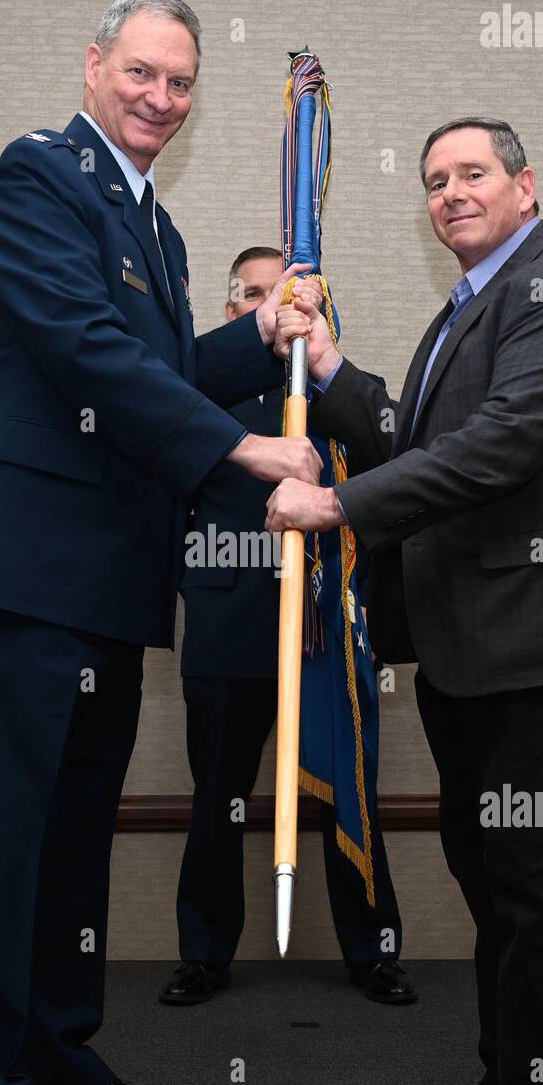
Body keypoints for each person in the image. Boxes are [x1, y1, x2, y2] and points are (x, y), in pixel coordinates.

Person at [0, 0, 323, 1085]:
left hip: (104, 582)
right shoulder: (42, 180)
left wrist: (257, 336)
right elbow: (82, 350)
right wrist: (245, 449)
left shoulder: (159, 228)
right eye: (142, 72)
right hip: (26, 568)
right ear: (95, 64)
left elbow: (152, 369)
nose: (160, 97)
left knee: (68, 843)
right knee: (2, 842)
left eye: (183, 82)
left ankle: (55, 1055)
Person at [265, 117, 543, 1085]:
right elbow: (415, 440)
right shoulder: (468, 307)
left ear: (527, 183)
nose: (450, 193)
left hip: (530, 647)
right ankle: (510, 1080)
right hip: (468, 649)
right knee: (490, 882)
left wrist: (333, 503)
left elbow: (498, 447)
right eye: (433, 181)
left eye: (471, 174)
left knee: (532, 892)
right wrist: (330, 368)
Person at [160, 246, 414, 1007]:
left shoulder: (337, 391)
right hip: (228, 626)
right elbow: (162, 500)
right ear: (234, 309)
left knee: (348, 792)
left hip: (324, 636)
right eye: (255, 295)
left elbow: (393, 463)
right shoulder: (196, 391)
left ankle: (373, 950)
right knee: (218, 800)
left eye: (288, 292)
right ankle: (204, 953)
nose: (273, 306)